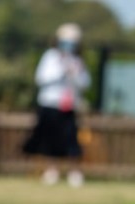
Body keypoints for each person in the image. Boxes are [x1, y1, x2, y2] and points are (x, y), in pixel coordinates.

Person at [22, 23, 91, 187]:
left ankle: (74, 173)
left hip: (68, 106)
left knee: (71, 140)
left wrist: (74, 73)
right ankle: (51, 171)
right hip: (50, 104)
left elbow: (85, 83)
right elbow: (41, 78)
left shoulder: (77, 60)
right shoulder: (50, 57)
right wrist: (61, 71)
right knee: (49, 139)